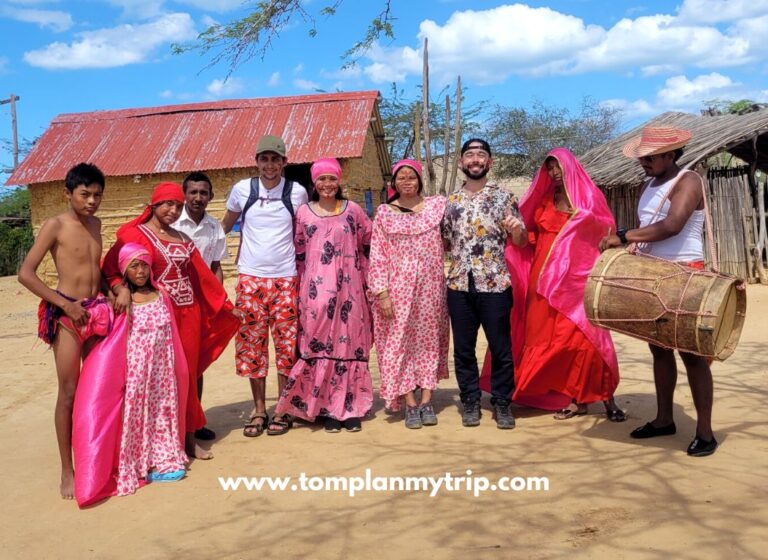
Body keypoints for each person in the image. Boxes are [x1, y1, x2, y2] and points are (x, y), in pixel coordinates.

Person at [102, 182, 242, 460]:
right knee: (152, 376)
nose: (173, 209)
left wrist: (225, 306)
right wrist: (120, 289)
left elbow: (203, 276)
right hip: (154, 315)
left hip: (188, 313)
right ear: (153, 205)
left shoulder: (183, 239)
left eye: (177, 205)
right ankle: (149, 441)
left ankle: (187, 438)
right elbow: (109, 268)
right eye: (167, 203)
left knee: (186, 375)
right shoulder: (135, 234)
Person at [600, 126, 717, 457]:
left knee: (692, 356)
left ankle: (705, 432)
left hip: (685, 274)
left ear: (671, 155)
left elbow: (672, 226)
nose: (644, 163)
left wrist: (624, 236)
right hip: (654, 276)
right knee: (659, 349)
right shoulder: (649, 184)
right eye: (642, 157)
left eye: (650, 157)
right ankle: (664, 419)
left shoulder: (689, 181)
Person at [492, 148, 624, 421]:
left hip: (576, 280)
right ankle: (577, 400)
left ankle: (607, 398)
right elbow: (524, 241)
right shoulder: (542, 202)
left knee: (588, 339)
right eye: (549, 168)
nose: (553, 173)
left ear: (569, 167)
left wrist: (583, 217)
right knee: (554, 341)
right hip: (542, 282)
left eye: (557, 167)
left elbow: (606, 229)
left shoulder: (588, 198)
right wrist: (514, 231)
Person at [18, 162, 111, 499]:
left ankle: (95, 458)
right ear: (68, 193)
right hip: (69, 315)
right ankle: (66, 469)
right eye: (84, 194)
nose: (91, 201)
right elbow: (26, 274)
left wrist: (111, 293)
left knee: (98, 391)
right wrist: (65, 304)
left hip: (96, 313)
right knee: (69, 392)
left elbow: (95, 269)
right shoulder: (55, 225)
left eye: (97, 195)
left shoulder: (98, 225)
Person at [72, 243, 190, 506]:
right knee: (135, 414)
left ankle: (161, 457)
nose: (140, 271)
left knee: (161, 410)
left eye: (144, 265)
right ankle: (137, 463)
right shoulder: (121, 301)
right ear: (124, 270)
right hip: (137, 370)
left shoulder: (162, 294)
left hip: (162, 370)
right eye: (133, 266)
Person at [274, 158, 373, 432]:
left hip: (350, 292)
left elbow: (369, 243)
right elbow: (297, 252)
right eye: (322, 179)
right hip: (315, 292)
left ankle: (349, 408)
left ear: (339, 180)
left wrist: (368, 282)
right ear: (314, 183)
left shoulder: (352, 211)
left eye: (332, 178)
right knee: (319, 346)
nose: (327, 184)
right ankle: (327, 407)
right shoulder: (304, 213)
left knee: (348, 346)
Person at [221, 135, 309, 437]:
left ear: (284, 162)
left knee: (287, 347)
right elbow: (224, 226)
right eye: (264, 159)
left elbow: (306, 231)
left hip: (286, 278)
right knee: (251, 346)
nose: (269, 165)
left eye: (275, 159)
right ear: (256, 161)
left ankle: (283, 409)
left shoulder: (296, 193)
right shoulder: (242, 190)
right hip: (250, 278)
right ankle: (260, 410)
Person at [441, 139, 527, 429]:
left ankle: (503, 403)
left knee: (501, 347)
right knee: (463, 349)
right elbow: (442, 242)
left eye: (481, 155)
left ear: (489, 162)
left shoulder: (505, 197)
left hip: (495, 283)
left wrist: (516, 231)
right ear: (461, 163)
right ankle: (470, 401)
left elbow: (522, 240)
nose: (475, 159)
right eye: (469, 155)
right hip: (459, 285)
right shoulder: (449, 202)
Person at [368, 159, 449, 429]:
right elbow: (377, 255)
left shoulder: (437, 207)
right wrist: (382, 293)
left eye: (411, 176)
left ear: (420, 180)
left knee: (428, 341)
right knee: (397, 343)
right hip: (397, 290)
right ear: (393, 183)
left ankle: (427, 399)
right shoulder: (384, 213)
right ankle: (410, 403)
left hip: (431, 288)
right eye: (400, 177)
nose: (406, 181)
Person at [173, 171, 229, 442]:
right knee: (174, 366)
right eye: (193, 192)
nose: (198, 198)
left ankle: (193, 422)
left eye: (203, 193)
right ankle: (173, 425)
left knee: (197, 365)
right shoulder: (172, 223)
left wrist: (216, 300)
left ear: (211, 196)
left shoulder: (215, 227)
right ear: (184, 195)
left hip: (199, 305)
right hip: (172, 304)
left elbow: (216, 267)